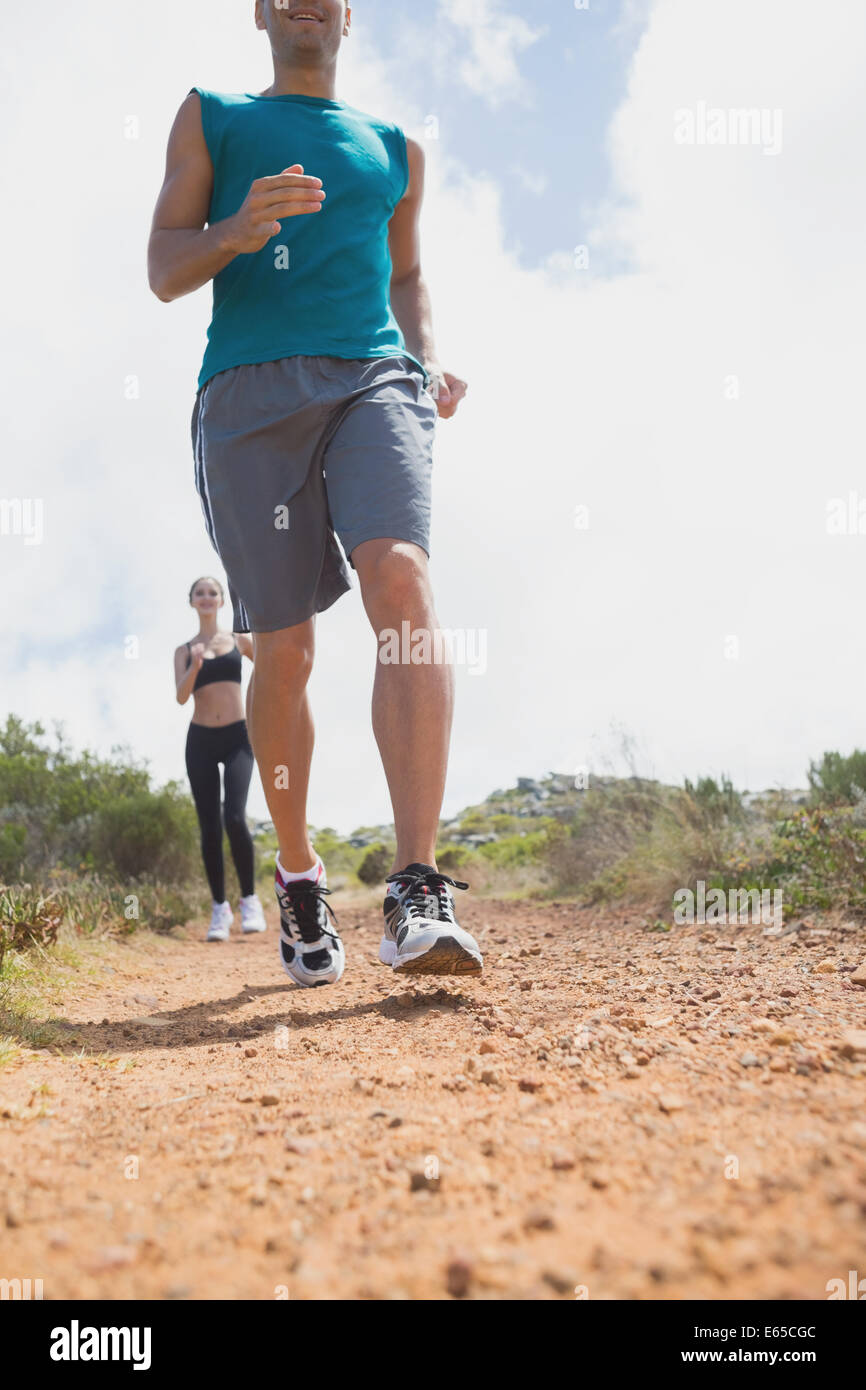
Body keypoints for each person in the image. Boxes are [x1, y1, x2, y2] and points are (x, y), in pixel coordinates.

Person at [150, 0, 482, 985]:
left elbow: (407, 275)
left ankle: (417, 883)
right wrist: (234, 229)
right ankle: (296, 874)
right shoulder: (211, 114)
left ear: (347, 14)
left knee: (404, 582)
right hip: (247, 398)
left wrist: (422, 363)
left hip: (370, 380)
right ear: (260, 12)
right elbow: (164, 267)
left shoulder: (395, 151)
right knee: (283, 651)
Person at [174, 576, 266, 941]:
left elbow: (272, 668)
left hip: (239, 738)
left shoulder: (239, 640)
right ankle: (219, 910)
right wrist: (195, 667)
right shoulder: (184, 649)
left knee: (234, 817)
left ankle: (249, 901)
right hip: (200, 740)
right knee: (209, 825)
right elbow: (181, 697)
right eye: (200, 593)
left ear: (222, 600)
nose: (207, 597)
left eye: (213, 592)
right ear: (192, 601)